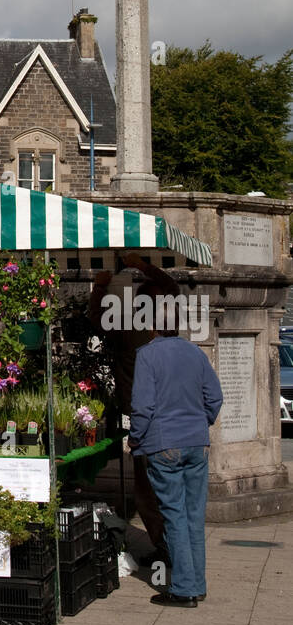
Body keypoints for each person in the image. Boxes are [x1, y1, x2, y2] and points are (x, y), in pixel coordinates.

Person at [128, 311, 223, 607]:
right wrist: (198, 422)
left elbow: (142, 405)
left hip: (164, 442)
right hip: (196, 441)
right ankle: (197, 584)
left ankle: (183, 589)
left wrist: (135, 438)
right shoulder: (195, 354)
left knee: (175, 515)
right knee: (194, 515)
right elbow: (215, 397)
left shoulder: (147, 355)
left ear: (153, 328)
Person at [89, 255, 177, 563]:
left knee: (149, 488)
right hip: (163, 417)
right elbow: (170, 286)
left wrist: (101, 287)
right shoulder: (165, 328)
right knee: (159, 488)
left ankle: (166, 546)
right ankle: (168, 546)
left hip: (147, 418)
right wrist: (142, 267)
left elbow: (96, 319)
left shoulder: (131, 327)